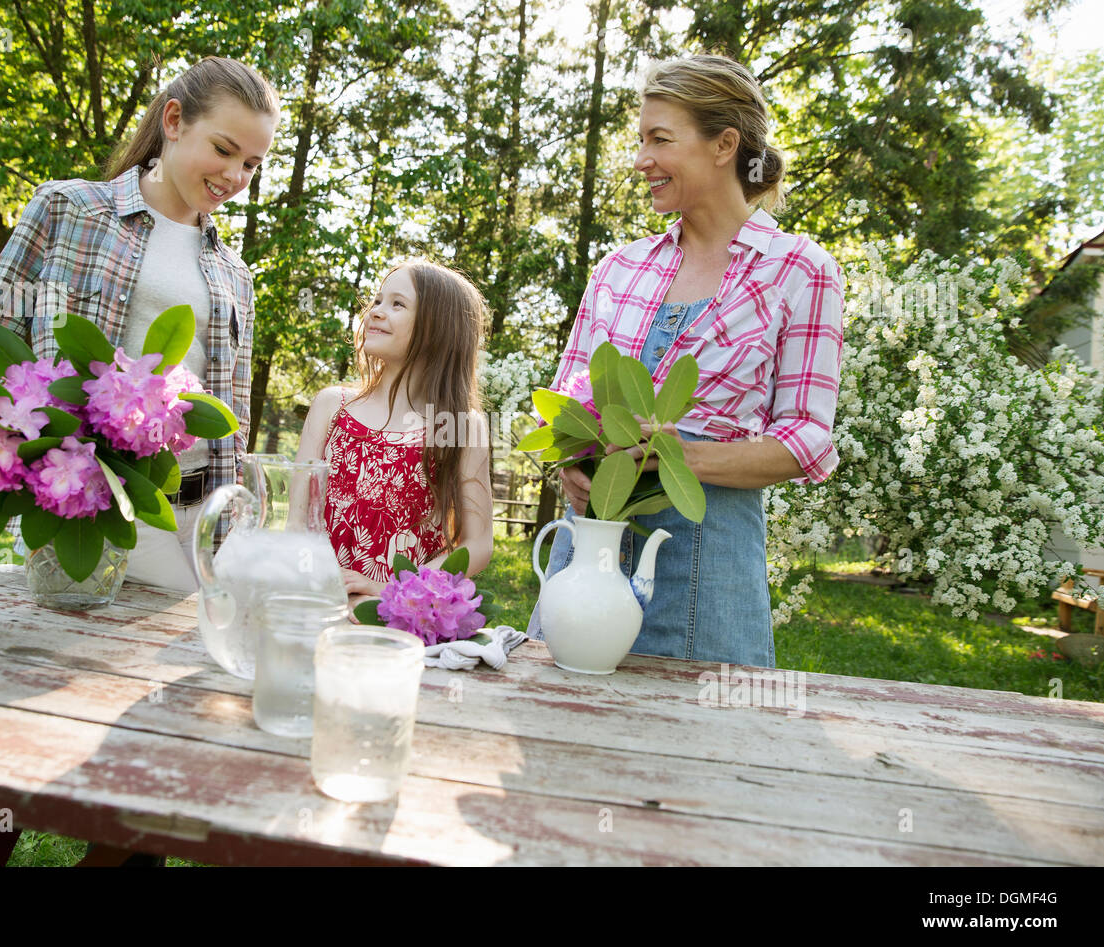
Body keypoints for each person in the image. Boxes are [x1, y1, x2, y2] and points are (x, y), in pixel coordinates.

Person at [528, 54, 845, 668]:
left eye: (660, 140)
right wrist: (571, 461)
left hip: (708, 565)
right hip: (589, 558)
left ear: (724, 144)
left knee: (709, 749)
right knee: (561, 733)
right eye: (640, 140)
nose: (641, 159)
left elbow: (806, 437)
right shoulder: (619, 268)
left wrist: (678, 456)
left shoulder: (799, 270)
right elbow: (567, 396)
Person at [0, 57, 279, 592]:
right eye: (223, 150)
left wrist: (235, 523)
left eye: (252, 164)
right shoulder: (67, 210)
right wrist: (45, 420)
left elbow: (231, 418)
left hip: (204, 514)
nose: (234, 176)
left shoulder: (234, 273)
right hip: (97, 505)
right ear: (173, 121)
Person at [295, 259, 495, 609]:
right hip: (316, 602)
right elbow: (298, 521)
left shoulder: (460, 426)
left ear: (437, 328)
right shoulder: (330, 407)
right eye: (377, 300)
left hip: (401, 617)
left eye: (397, 304)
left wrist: (398, 592)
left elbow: (477, 545)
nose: (376, 311)